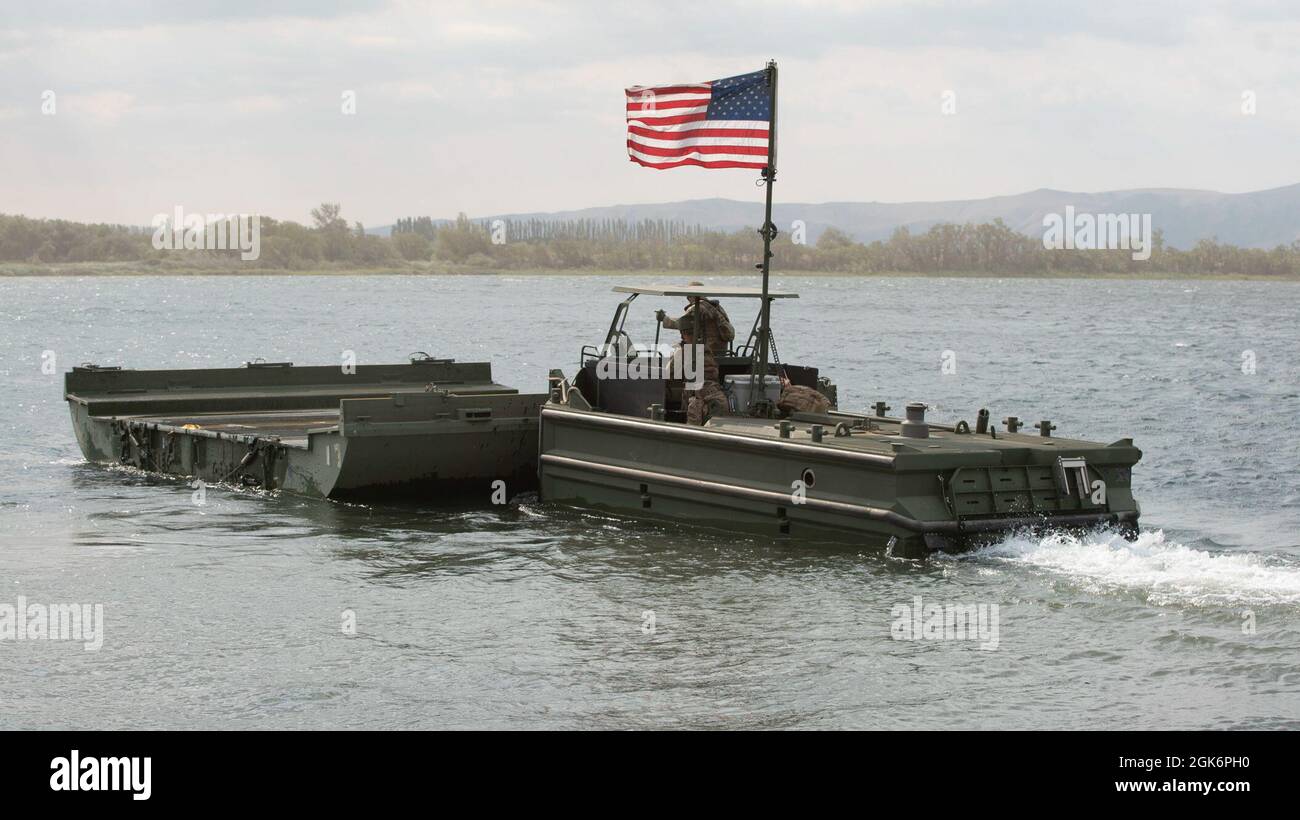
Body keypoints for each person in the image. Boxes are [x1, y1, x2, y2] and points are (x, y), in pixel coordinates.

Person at [657, 283, 735, 425]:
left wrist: (664, 319)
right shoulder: (716, 307)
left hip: (704, 350)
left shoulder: (697, 308)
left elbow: (682, 323)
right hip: (721, 351)